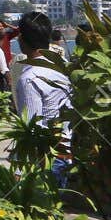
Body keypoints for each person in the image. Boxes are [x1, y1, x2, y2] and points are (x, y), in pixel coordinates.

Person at [12, 10, 74, 188]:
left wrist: (18, 172)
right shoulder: (64, 67)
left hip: (47, 159)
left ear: (21, 39)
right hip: (67, 153)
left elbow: (32, 128)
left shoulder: (30, 78)